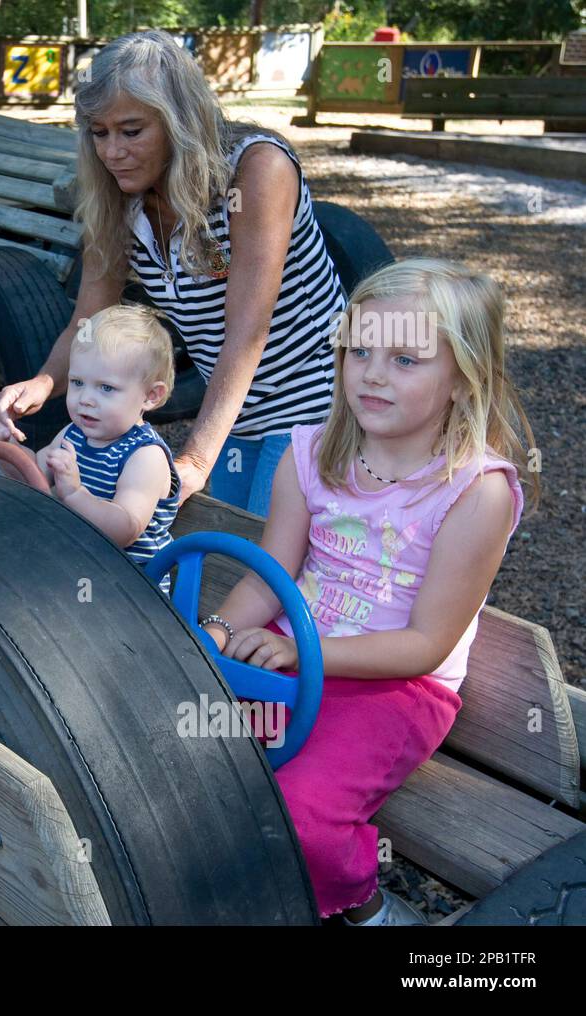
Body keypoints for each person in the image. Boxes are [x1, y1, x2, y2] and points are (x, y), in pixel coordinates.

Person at [199, 259, 537, 924]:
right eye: (360, 350)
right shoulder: (311, 454)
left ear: (466, 380)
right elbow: (272, 573)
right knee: (190, 754)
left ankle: (368, 906)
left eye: (406, 359)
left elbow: (425, 643)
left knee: (301, 817)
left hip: (397, 688)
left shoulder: (477, 491)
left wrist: (303, 653)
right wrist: (214, 630)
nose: (373, 374)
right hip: (293, 649)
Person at [0, 30, 346, 516]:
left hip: (316, 409)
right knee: (214, 552)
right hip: (236, 415)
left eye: (131, 131)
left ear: (179, 122)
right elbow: (89, 318)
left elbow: (248, 331)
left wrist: (198, 456)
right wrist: (44, 382)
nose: (112, 151)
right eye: (99, 133)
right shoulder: (117, 194)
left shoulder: (257, 169)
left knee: (269, 561)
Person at [0, 303, 181, 591]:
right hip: (78, 572)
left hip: (130, 593)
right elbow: (34, 474)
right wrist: (5, 444)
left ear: (151, 396)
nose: (85, 398)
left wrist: (74, 493)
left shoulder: (145, 457)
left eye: (106, 388)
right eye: (77, 382)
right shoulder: (73, 435)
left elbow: (126, 528)